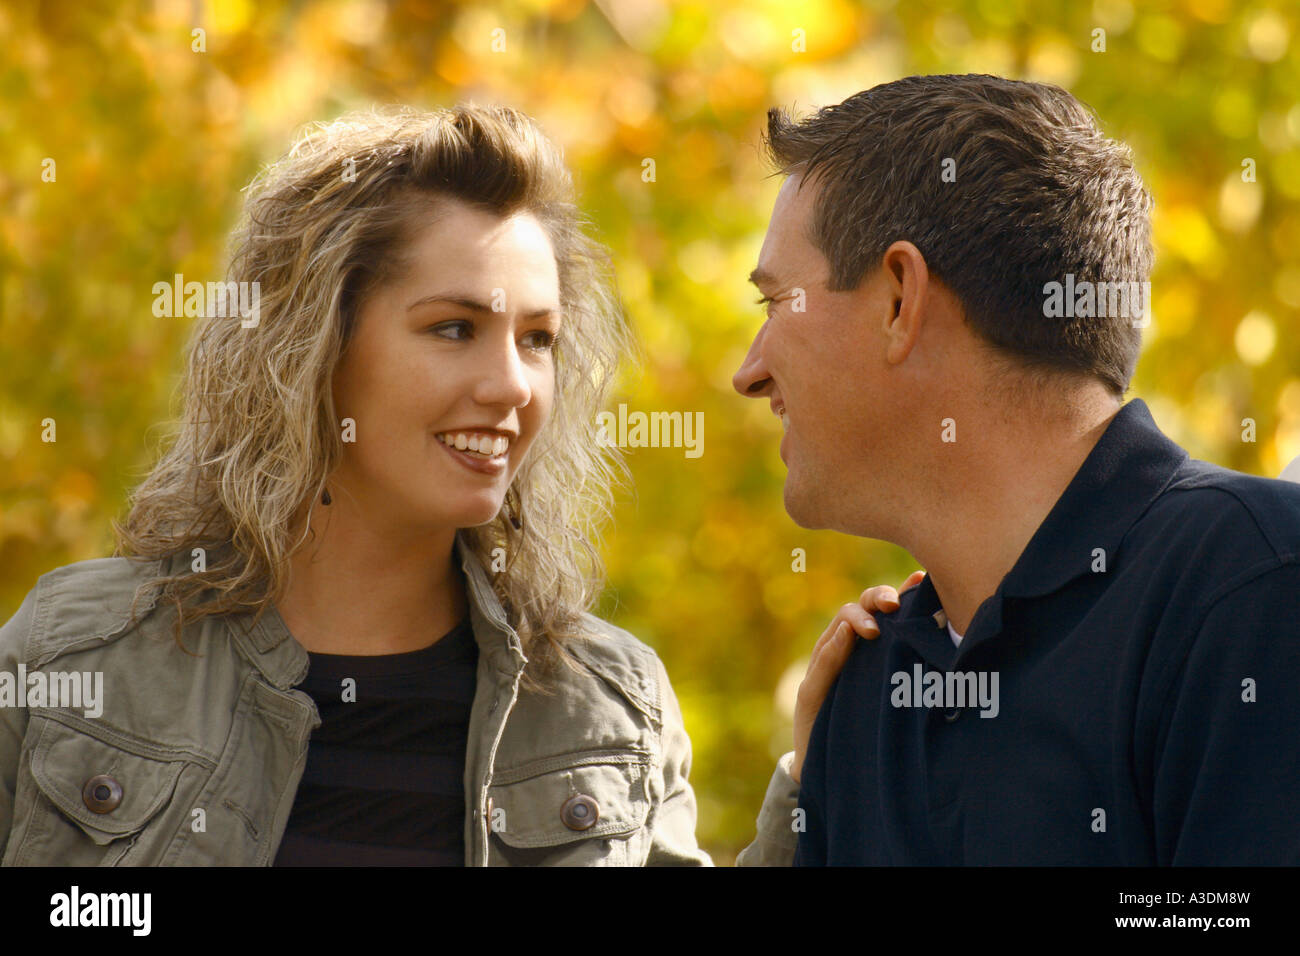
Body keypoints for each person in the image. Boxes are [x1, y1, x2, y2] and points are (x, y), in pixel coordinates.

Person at [0, 103, 825, 866]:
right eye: (454, 328)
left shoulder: (605, 707)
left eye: (537, 339)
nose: (511, 385)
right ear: (311, 347)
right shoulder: (75, 658)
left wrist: (818, 775)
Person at [732, 74, 1300, 865]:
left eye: (774, 303)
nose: (750, 373)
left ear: (901, 297)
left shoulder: (1259, 587)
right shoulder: (862, 700)